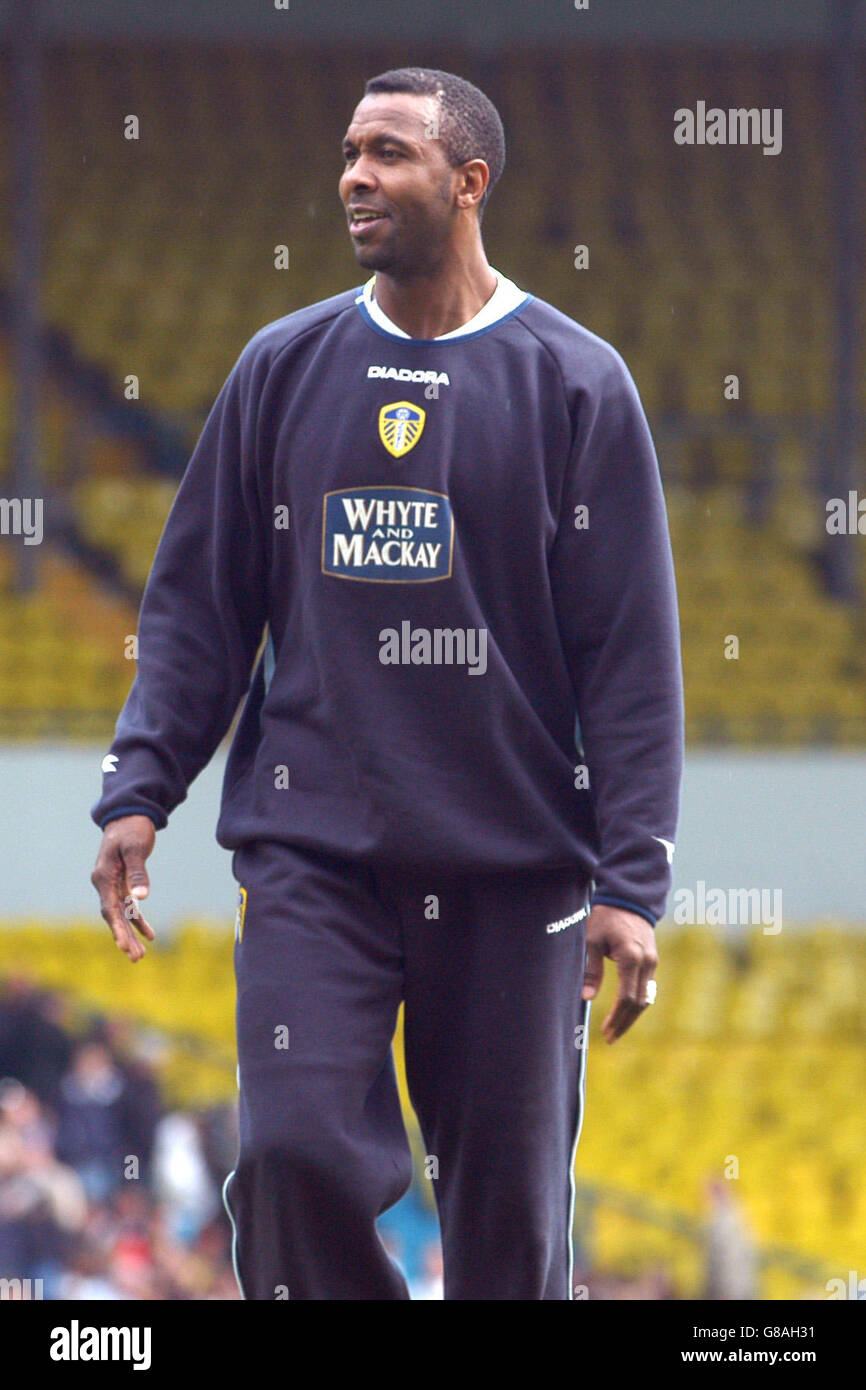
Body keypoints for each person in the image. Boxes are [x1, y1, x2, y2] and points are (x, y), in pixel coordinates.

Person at [90, 67, 684, 1300]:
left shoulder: (576, 384)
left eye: (389, 154)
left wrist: (632, 878)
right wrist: (137, 787)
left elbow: (629, 656)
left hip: (516, 863)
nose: (355, 174)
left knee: (508, 1227)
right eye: (349, 152)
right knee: (294, 1152)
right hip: (315, 852)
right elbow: (201, 604)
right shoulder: (282, 366)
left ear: (467, 184)